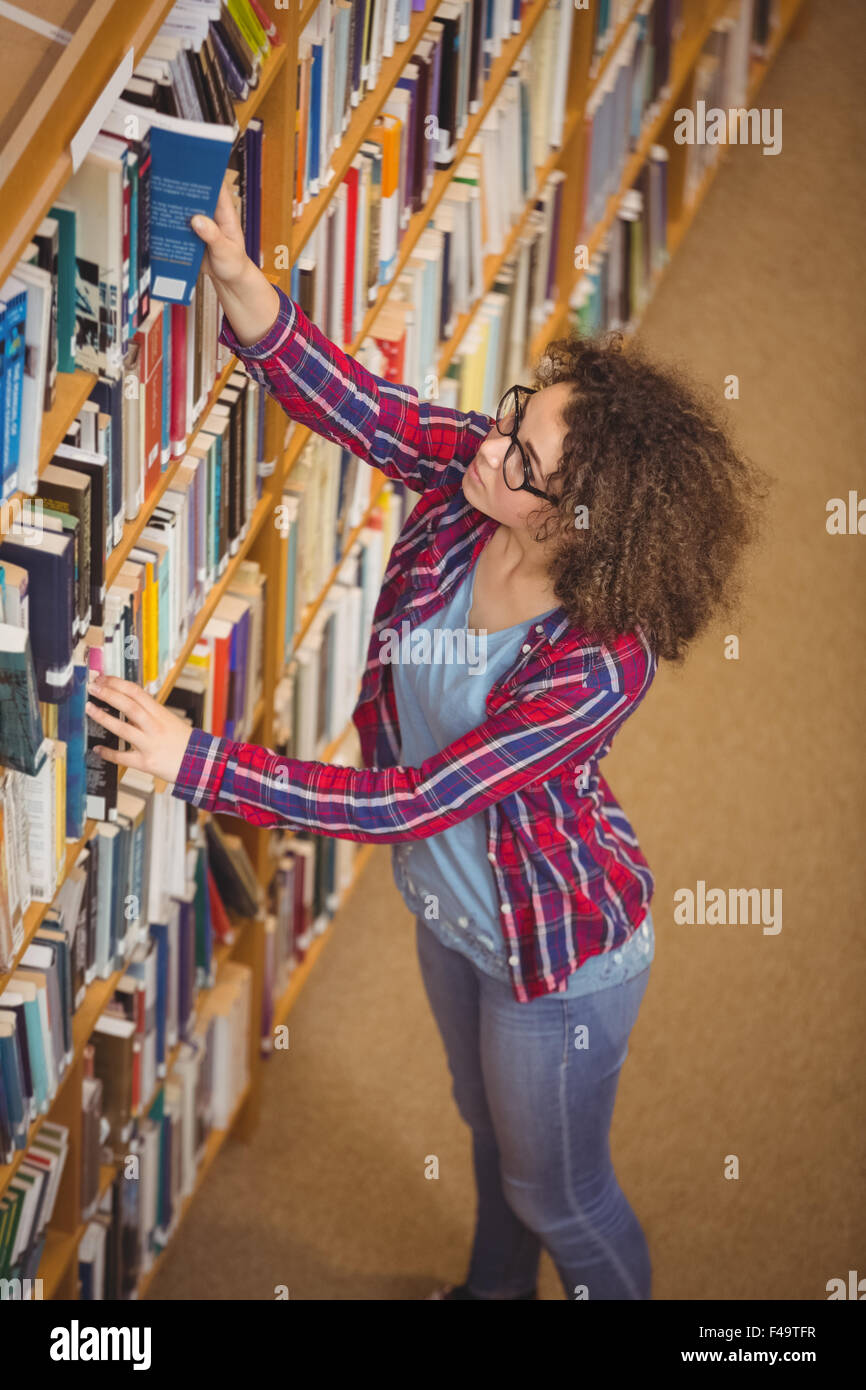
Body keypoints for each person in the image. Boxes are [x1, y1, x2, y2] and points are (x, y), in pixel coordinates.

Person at [85, 183, 770, 1300]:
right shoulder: (477, 485)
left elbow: (409, 800)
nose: (491, 444)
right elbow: (367, 409)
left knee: (560, 1193)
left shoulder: (597, 659)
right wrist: (252, 299)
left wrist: (196, 761)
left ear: (573, 521)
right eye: (510, 416)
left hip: (553, 952)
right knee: (489, 1140)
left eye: (521, 457)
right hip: (452, 911)